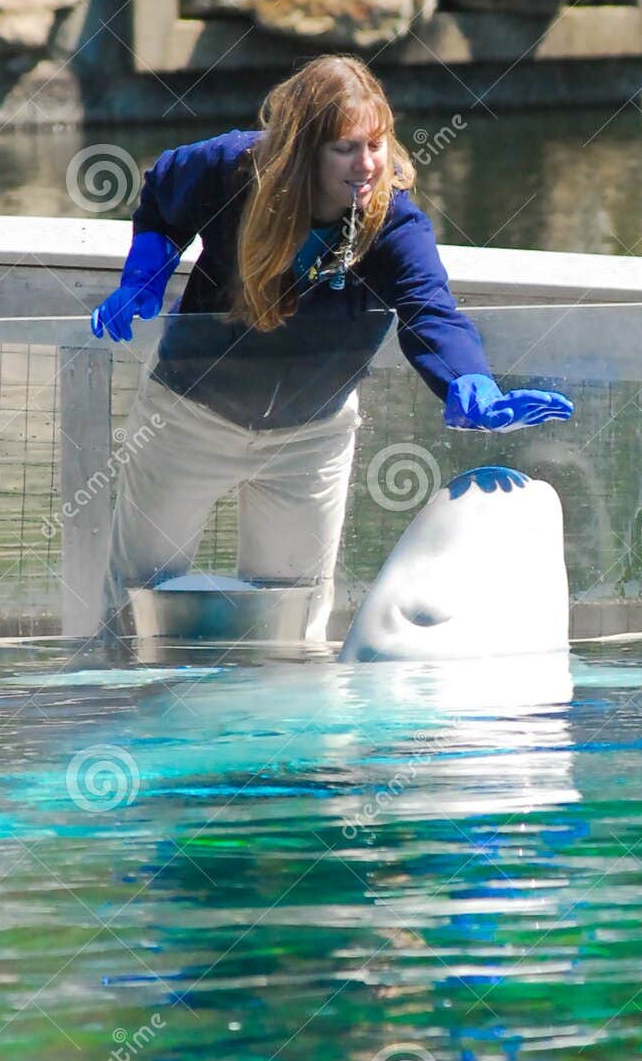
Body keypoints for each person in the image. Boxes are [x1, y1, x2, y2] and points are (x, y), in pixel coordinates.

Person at [89, 54, 573, 639]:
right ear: (302, 149)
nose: (366, 164)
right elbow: (163, 192)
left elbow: (429, 309)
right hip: (189, 417)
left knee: (291, 623)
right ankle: (124, 694)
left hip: (309, 438)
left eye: (376, 144)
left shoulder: (392, 223)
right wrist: (143, 275)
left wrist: (468, 378)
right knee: (136, 600)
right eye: (345, 148)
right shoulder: (231, 169)